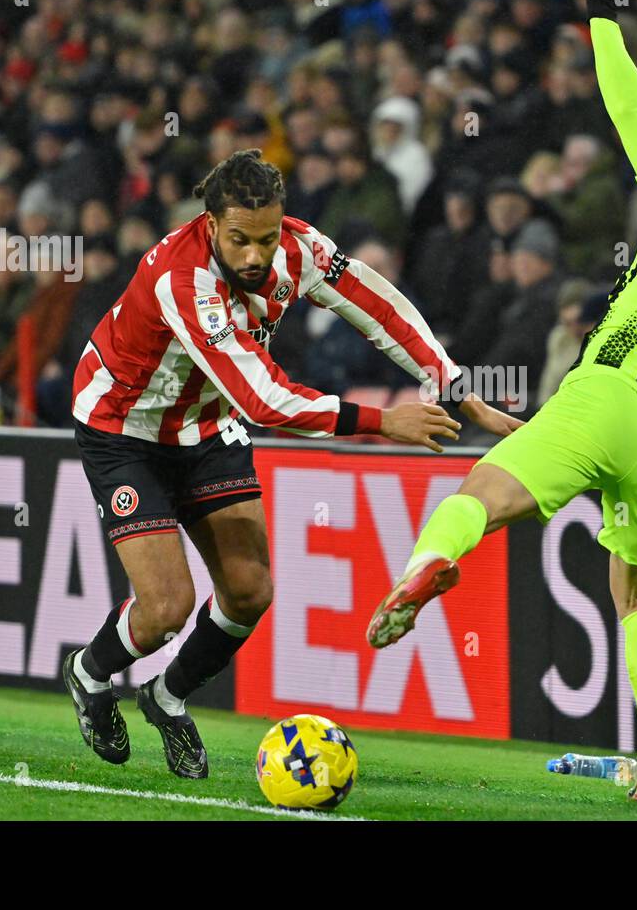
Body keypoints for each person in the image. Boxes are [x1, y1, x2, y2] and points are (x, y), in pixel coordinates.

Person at [364, 0, 637, 804]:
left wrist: (601, 19)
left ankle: (428, 564)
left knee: (480, 490)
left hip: (604, 393)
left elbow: (629, 107)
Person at [62, 148, 521, 778]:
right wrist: (382, 420)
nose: (255, 255)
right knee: (167, 606)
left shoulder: (299, 249)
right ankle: (90, 672)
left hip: (206, 424)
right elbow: (263, 399)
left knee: (250, 592)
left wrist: (455, 388)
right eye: (239, 240)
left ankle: (166, 696)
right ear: (210, 225)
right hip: (124, 426)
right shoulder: (184, 278)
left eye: (267, 237)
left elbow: (378, 306)